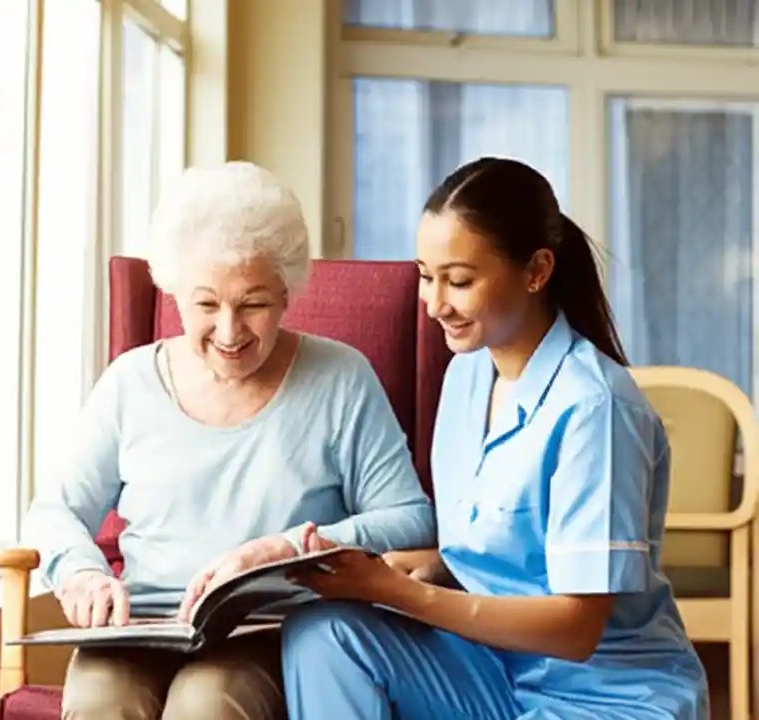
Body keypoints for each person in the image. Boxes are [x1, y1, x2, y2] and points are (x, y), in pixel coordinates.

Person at [280, 156, 709, 719]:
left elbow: (577, 629)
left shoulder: (596, 408)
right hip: (496, 669)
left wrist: (394, 591)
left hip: (606, 697)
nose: (434, 304)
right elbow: (510, 546)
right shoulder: (467, 375)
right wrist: (434, 566)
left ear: (536, 270)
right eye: (425, 276)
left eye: (458, 281)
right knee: (324, 635)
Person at [24, 161, 436, 720]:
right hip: (140, 626)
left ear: (288, 293)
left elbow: (410, 518)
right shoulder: (130, 381)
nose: (228, 331)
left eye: (253, 304)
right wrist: (80, 572)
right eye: (205, 304)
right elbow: (56, 510)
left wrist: (293, 545)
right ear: (172, 294)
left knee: (206, 705)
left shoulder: (341, 378)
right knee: (101, 703)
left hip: (272, 627)